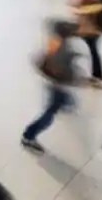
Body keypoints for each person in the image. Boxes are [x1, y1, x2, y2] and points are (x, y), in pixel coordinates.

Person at [20, 19, 80, 154]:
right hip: (58, 85)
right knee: (49, 114)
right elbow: (62, 71)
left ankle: (67, 103)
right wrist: (73, 76)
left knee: (62, 101)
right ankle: (29, 136)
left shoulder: (56, 42)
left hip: (55, 84)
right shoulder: (62, 49)